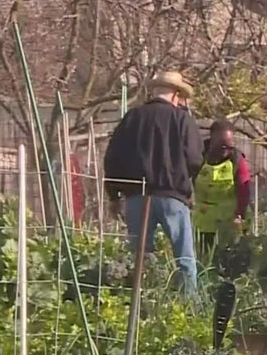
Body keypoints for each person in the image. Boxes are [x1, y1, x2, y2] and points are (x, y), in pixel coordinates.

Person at [103, 71, 204, 296]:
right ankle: (189, 305)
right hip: (172, 196)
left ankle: (140, 301)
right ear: (176, 95)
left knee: (140, 257)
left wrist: (114, 195)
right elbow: (195, 159)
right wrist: (185, 181)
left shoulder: (132, 118)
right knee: (184, 258)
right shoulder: (182, 120)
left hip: (137, 196)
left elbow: (113, 159)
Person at [193, 119, 252, 256]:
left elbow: (244, 189)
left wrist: (240, 214)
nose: (226, 151)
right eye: (222, 146)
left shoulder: (237, 160)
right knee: (205, 258)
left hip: (231, 221)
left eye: (230, 147)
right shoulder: (198, 156)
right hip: (204, 221)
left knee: (229, 259)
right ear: (212, 139)